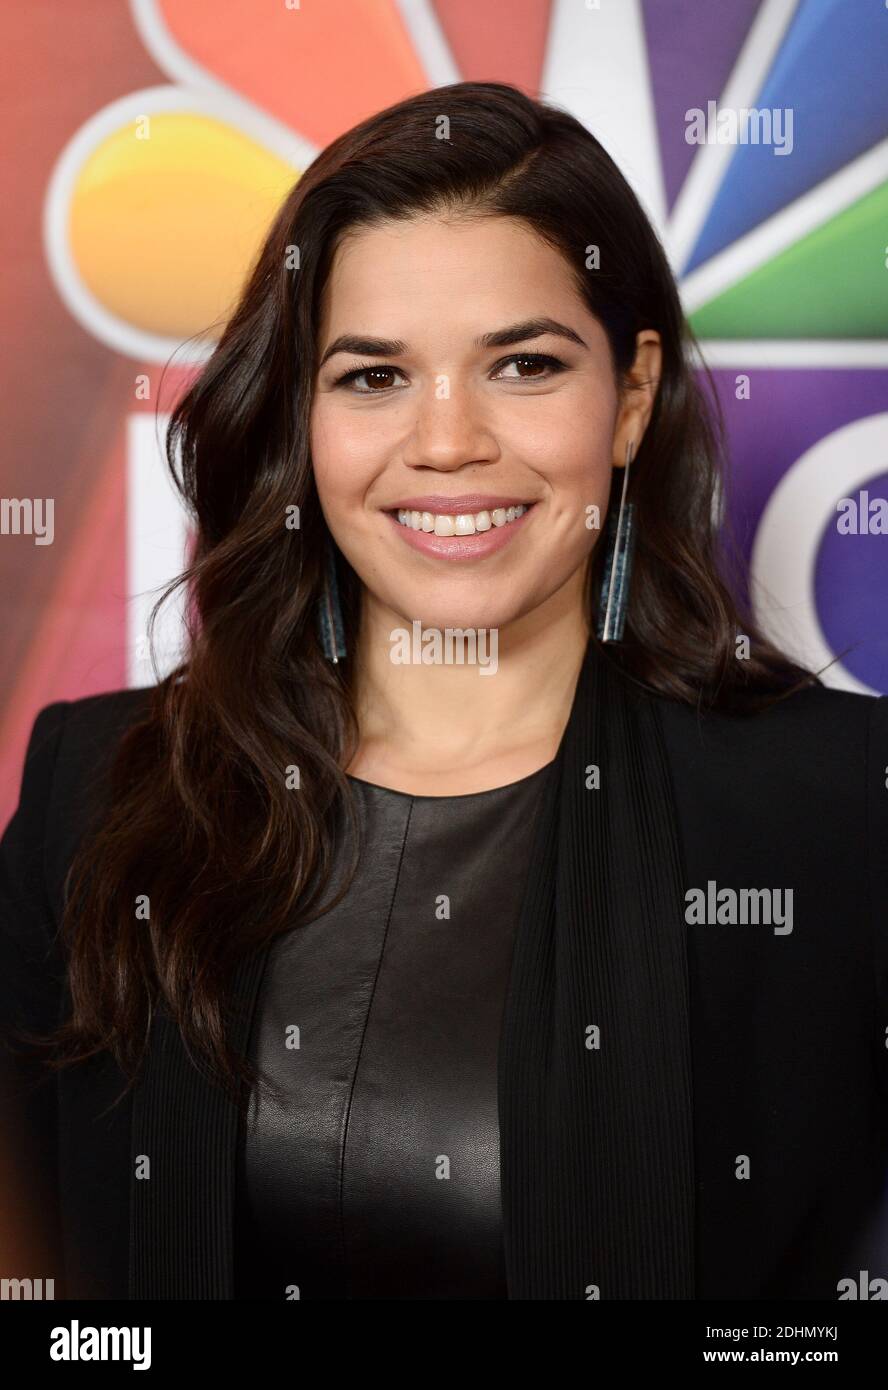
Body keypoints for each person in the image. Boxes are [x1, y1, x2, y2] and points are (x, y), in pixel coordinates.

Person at [2, 81, 887, 1302]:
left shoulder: (838, 805)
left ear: (630, 396)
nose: (448, 442)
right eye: (373, 377)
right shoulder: (97, 792)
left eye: (523, 364)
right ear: (302, 413)